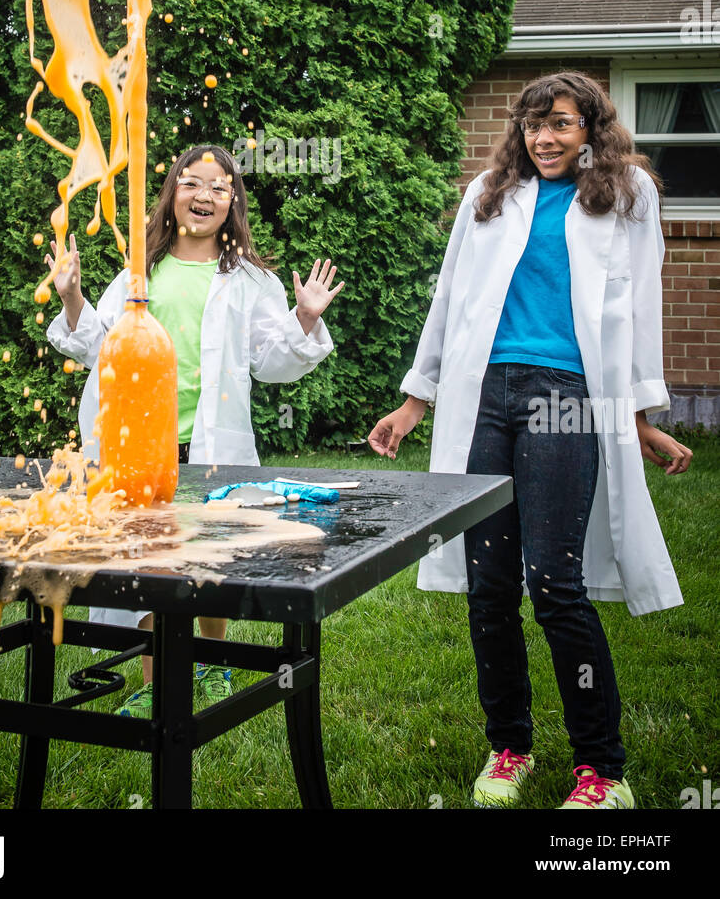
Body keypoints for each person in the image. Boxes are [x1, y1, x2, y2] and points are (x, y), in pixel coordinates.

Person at [368, 72, 692, 810]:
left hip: (565, 401)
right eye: (532, 124)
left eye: (561, 124)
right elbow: (448, 297)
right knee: (488, 589)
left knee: (552, 582)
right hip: (483, 396)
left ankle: (601, 770)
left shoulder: (626, 196)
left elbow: (640, 307)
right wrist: (415, 401)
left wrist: (641, 414)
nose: (543, 138)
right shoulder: (488, 192)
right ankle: (509, 747)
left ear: (591, 128)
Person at [47, 143, 343, 714]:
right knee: (152, 564)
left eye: (218, 186)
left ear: (233, 203)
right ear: (171, 195)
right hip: (142, 447)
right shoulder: (140, 270)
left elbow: (273, 361)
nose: (204, 195)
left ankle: (212, 666)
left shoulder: (252, 280)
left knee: (210, 563)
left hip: (213, 446)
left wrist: (305, 316)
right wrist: (73, 296)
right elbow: (98, 346)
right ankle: (157, 684)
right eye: (191, 183)